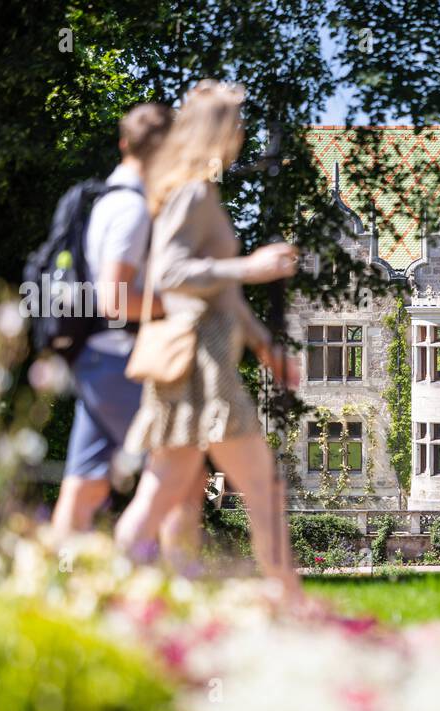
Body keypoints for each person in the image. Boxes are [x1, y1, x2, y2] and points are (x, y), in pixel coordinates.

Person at [114, 80, 301, 602]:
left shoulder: (200, 192)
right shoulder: (193, 193)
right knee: (262, 491)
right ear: (216, 131)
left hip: (202, 359)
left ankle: (102, 598)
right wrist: (250, 265)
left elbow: (222, 293)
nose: (242, 134)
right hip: (203, 366)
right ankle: (296, 605)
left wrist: (266, 345)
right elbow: (170, 271)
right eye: (237, 124)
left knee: (160, 497)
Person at [50, 103, 201, 561]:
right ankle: (180, 586)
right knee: (183, 473)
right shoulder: (132, 209)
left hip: (95, 358)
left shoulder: (102, 200)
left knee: (85, 483)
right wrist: (180, 303)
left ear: (123, 144)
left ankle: (51, 584)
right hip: (122, 362)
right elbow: (116, 300)